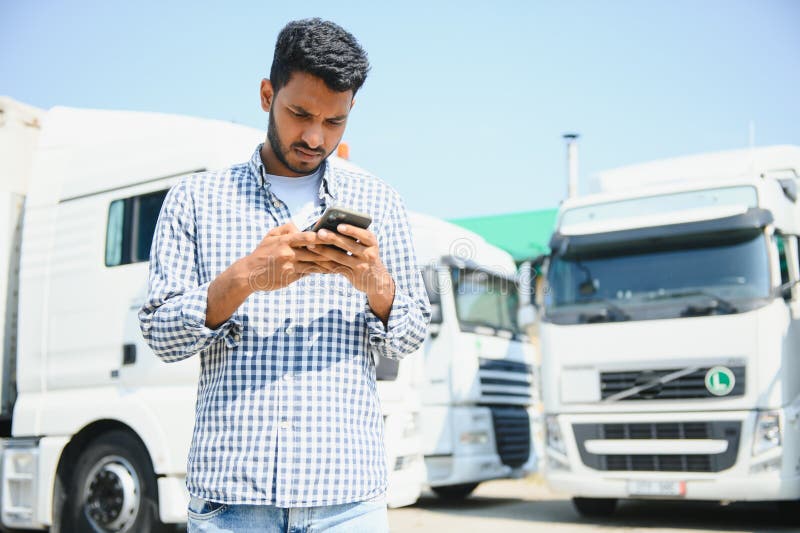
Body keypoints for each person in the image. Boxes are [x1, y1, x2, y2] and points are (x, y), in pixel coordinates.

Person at [138, 18, 431, 532]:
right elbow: (161, 335)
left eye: (335, 121)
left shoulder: (380, 202)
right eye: (300, 114)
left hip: (348, 502)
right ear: (266, 95)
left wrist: (376, 286)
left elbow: (411, 335)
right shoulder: (194, 201)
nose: (316, 137)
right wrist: (245, 278)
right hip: (232, 502)